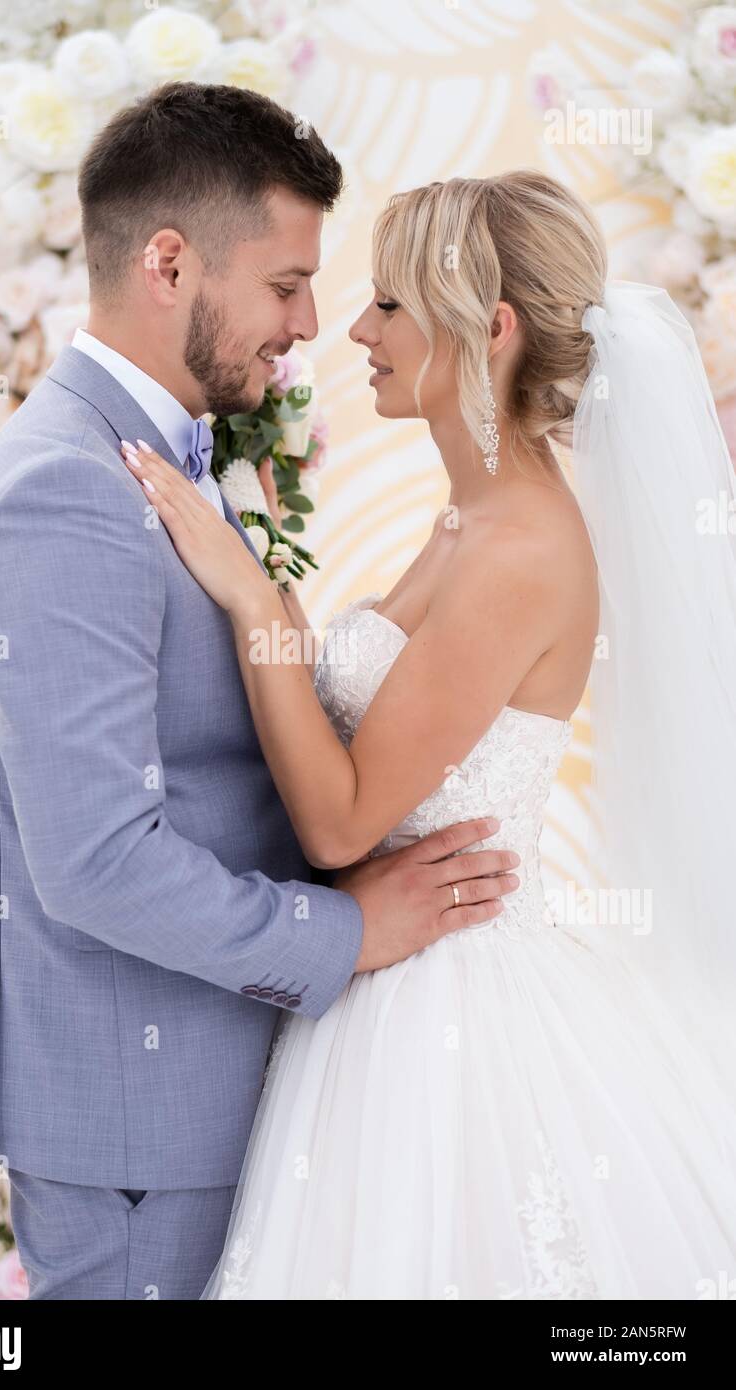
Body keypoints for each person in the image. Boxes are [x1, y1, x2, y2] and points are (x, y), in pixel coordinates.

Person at [0, 85, 518, 1301]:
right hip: (139, 1125)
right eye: (287, 284)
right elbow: (95, 860)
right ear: (166, 261)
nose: (310, 324)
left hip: (209, 1090)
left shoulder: (169, 456)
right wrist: (349, 932)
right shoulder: (67, 494)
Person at [124, 170, 736, 1299]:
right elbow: (363, 716)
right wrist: (265, 568)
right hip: (395, 978)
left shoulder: (515, 549)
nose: (354, 329)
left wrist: (255, 608)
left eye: (390, 305)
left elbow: (340, 816)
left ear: (487, 329)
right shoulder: (476, 513)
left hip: (453, 1008)